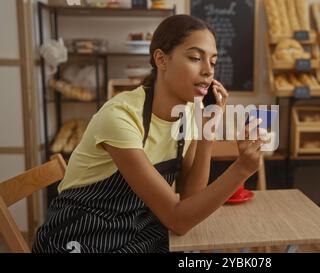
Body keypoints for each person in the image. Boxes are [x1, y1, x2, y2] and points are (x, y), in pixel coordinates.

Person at [32, 14, 266, 253]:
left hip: (136, 233)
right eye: (195, 58)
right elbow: (178, 220)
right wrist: (242, 169)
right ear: (161, 60)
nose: (208, 71)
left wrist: (208, 131)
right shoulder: (121, 116)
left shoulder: (189, 113)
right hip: (80, 236)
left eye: (213, 62)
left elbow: (189, 201)